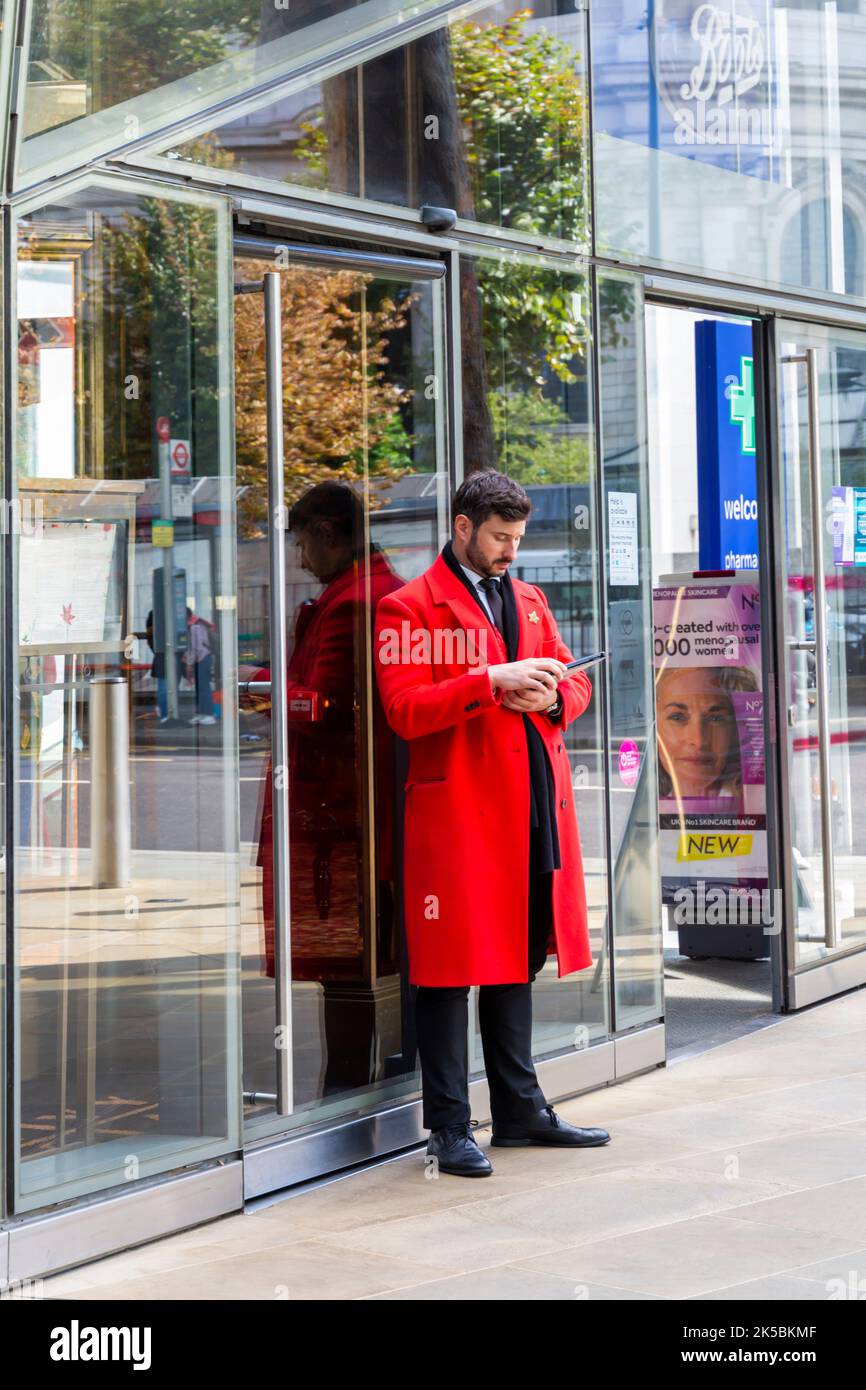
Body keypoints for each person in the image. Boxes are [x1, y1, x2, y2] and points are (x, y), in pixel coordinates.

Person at [373, 469, 610, 1177]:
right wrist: (490, 683)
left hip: (530, 802)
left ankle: (520, 1112)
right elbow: (404, 710)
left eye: (517, 539)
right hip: (458, 814)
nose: (510, 551)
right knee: (446, 975)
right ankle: (448, 1128)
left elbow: (577, 679)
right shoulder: (407, 608)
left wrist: (551, 695)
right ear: (462, 527)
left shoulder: (530, 599)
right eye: (500, 538)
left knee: (517, 957)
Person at [184, 606, 217, 725]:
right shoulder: (198, 623)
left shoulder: (195, 626)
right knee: (201, 687)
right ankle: (202, 713)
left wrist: (189, 663)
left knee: (203, 687)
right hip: (204, 657)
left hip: (203, 658)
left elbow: (196, 648)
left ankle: (208, 714)